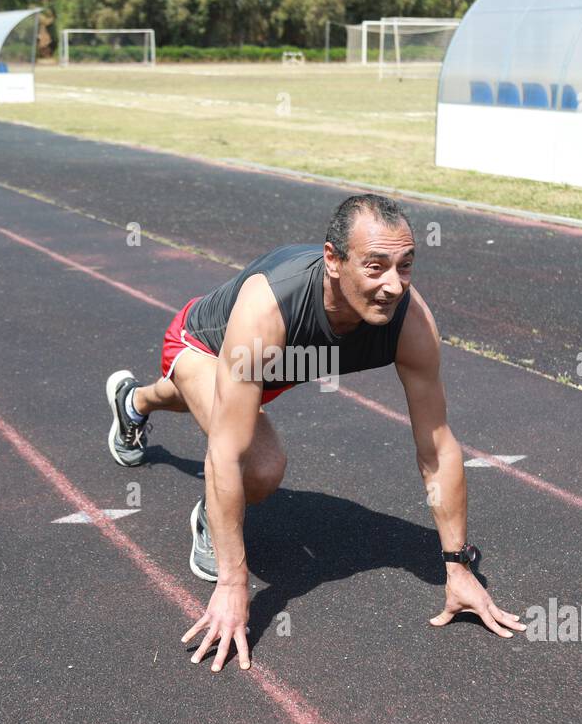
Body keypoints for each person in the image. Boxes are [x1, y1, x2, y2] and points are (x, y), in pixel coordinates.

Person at [105, 194, 524, 672]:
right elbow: (225, 453)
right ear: (332, 260)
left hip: (287, 361)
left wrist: (457, 566)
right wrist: (233, 583)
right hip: (206, 346)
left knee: (206, 405)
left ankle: (133, 401)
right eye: (375, 267)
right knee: (258, 468)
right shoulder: (268, 309)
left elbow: (437, 446)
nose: (393, 285)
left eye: (405, 266)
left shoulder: (409, 319)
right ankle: (211, 517)